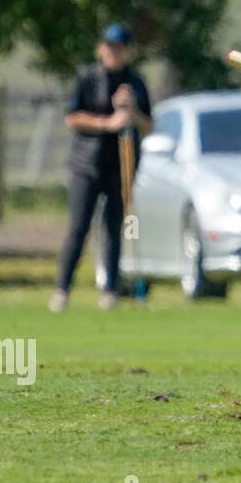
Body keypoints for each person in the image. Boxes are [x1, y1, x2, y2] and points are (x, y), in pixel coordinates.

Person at [49, 24, 153, 312]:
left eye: (119, 47)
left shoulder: (135, 82)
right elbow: (72, 118)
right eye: (109, 46)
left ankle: (110, 291)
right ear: (101, 48)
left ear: (127, 51)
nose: (113, 52)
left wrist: (131, 112)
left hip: (121, 165)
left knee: (114, 227)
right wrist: (107, 123)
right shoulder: (87, 77)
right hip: (86, 164)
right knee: (79, 226)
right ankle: (62, 289)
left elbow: (148, 125)